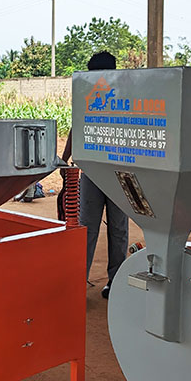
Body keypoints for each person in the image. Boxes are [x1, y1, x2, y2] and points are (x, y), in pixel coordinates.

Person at [58, 51, 128, 299]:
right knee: (88, 227)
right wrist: (64, 160)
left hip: (119, 173)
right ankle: (80, 281)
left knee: (117, 228)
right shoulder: (86, 96)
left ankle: (116, 280)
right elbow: (77, 127)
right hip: (92, 171)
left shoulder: (124, 97)